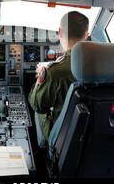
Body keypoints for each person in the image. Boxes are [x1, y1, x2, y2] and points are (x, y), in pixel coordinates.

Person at [28, 11, 89, 143]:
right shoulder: (108, 65)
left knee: (38, 107)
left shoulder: (54, 72)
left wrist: (41, 77)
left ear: (60, 32)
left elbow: (37, 105)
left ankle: (44, 150)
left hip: (65, 138)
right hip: (94, 135)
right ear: (87, 35)